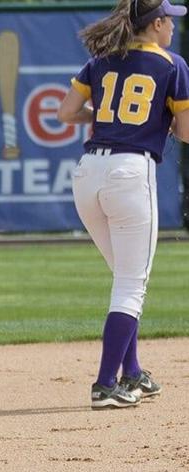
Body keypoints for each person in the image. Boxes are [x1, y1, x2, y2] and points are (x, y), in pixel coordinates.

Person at [57, 0, 189, 409]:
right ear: (157, 24)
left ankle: (132, 372)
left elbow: (66, 112)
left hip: (88, 174)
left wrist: (106, 116)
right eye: (169, 21)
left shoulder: (101, 60)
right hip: (130, 173)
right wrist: (159, 120)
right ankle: (104, 384)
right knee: (132, 285)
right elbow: (186, 131)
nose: (173, 28)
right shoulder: (172, 65)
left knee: (124, 279)